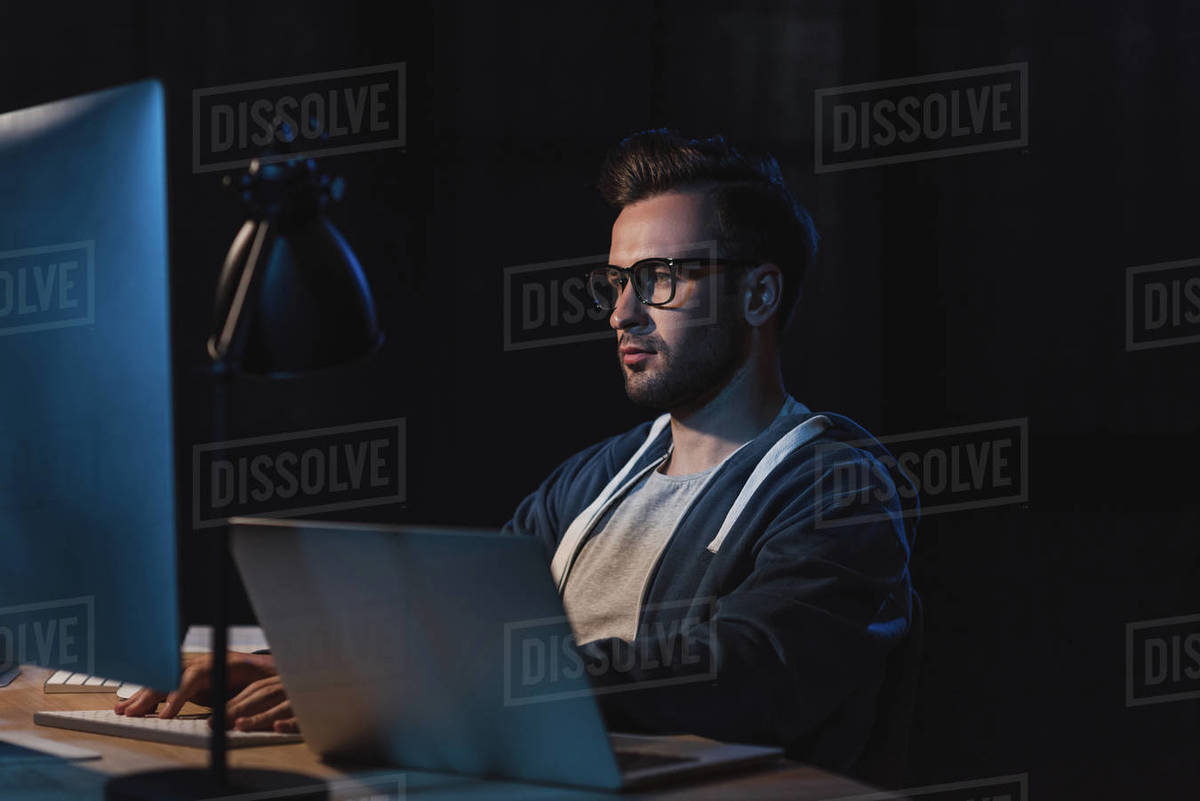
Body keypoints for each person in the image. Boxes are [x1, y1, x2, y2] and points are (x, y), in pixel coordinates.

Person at [118, 128, 917, 772]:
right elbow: (469, 622)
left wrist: (446, 679)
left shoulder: (834, 485)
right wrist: (333, 665)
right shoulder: (597, 478)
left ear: (759, 293)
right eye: (615, 282)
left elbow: (750, 670)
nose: (623, 314)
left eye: (662, 278)